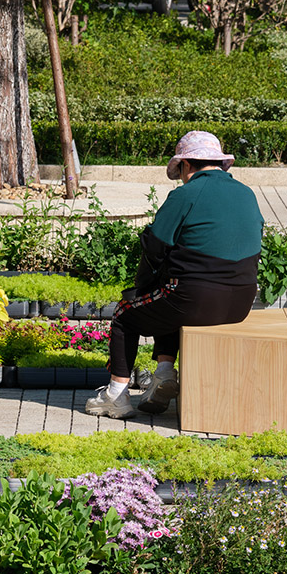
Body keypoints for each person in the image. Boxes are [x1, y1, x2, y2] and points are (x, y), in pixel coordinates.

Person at [85, 131, 264, 419]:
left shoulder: (185, 194)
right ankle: (164, 372)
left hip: (193, 297)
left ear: (186, 165)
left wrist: (140, 287)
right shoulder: (247, 193)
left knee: (126, 314)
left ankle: (115, 395)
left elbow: (154, 248)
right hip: (241, 302)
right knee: (165, 296)